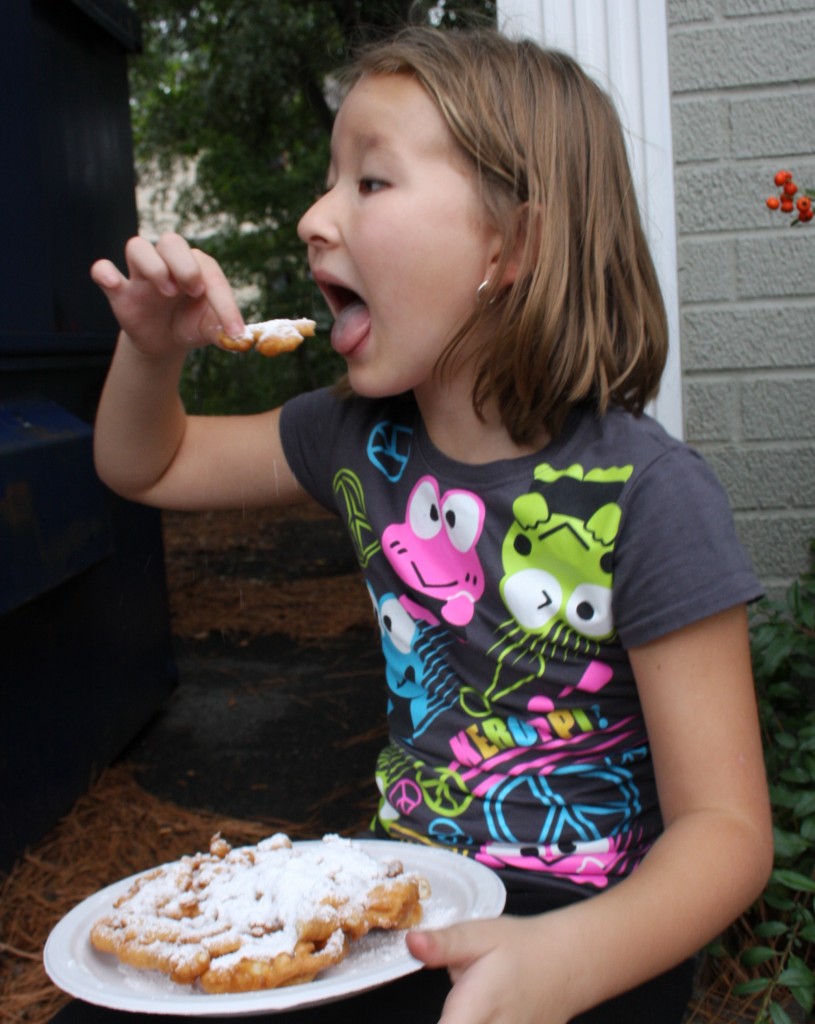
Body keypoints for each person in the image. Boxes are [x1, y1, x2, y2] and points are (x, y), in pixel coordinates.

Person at [90, 26, 773, 1024]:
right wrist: (151, 351)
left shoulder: (646, 494)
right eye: (329, 179)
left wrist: (563, 962)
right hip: (402, 894)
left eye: (369, 182)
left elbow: (724, 830)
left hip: (593, 931)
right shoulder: (355, 438)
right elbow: (145, 463)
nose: (312, 217)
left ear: (512, 245)